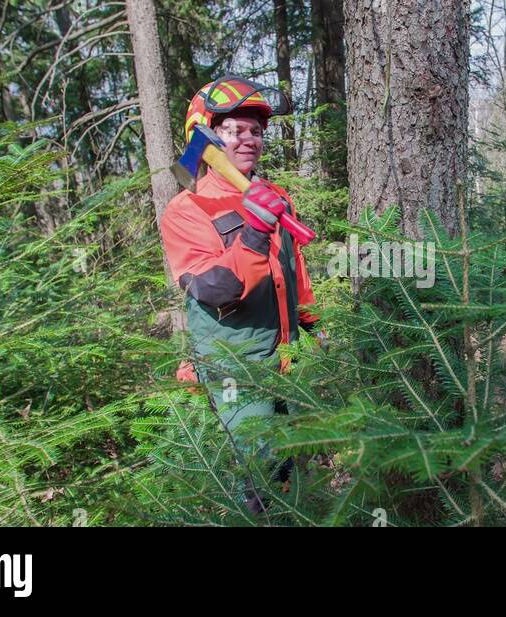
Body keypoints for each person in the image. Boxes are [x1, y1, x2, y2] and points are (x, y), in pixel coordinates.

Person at [159, 75, 322, 512]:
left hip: (285, 356)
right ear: (205, 136)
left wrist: (313, 324)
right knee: (258, 474)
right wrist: (253, 231)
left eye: (256, 130)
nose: (249, 139)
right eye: (234, 129)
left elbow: (294, 269)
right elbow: (217, 289)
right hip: (233, 366)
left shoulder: (275, 196)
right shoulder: (187, 211)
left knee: (292, 464)